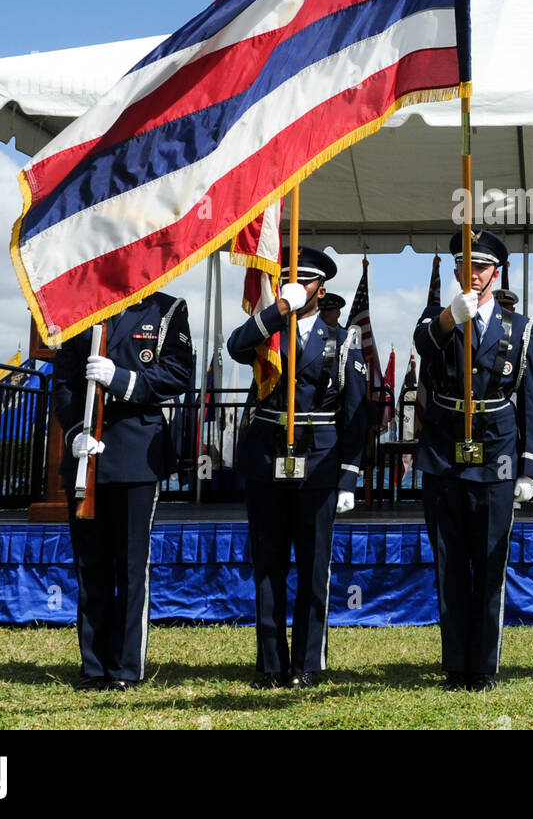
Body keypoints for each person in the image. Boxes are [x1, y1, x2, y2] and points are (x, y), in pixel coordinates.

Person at [228, 246, 366, 690]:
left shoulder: (341, 341)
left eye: (303, 282)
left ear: (321, 289)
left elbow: (356, 415)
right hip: (268, 456)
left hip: (319, 461)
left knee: (312, 565)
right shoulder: (268, 336)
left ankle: (307, 663)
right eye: (287, 280)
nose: (294, 287)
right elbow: (234, 345)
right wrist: (278, 308)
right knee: (268, 563)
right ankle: (271, 663)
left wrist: (348, 476)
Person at [413, 228, 533, 691]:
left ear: (496, 273)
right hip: (444, 452)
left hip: (497, 455)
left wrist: (530, 466)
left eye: (482, 267)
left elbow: (531, 399)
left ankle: (484, 666)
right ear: (456, 272)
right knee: (449, 563)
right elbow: (424, 347)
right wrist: (450, 318)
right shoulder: (437, 319)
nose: (474, 274)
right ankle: (456, 664)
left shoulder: (519, 328)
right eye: (466, 267)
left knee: (490, 563)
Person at [53, 291, 194, 691]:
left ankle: (126, 668)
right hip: (85, 452)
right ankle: (94, 665)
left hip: (135, 450)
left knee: (132, 567)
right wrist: (76, 430)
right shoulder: (82, 300)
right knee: (91, 564)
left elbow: (178, 372)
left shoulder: (166, 308)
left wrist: (121, 378)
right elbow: (63, 381)